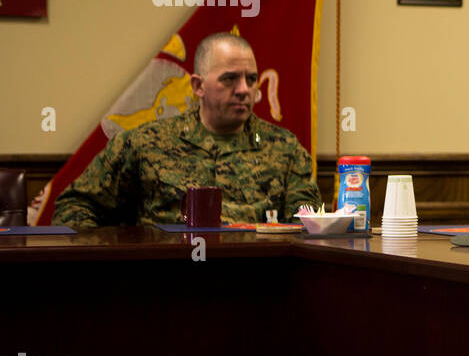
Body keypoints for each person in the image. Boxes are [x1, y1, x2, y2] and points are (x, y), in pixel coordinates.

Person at [53, 33, 319, 228]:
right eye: (229, 79)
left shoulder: (285, 148)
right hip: (168, 287)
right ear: (198, 86)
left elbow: (307, 224)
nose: (244, 90)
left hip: (258, 286)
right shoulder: (146, 143)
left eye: (250, 80)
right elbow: (74, 206)